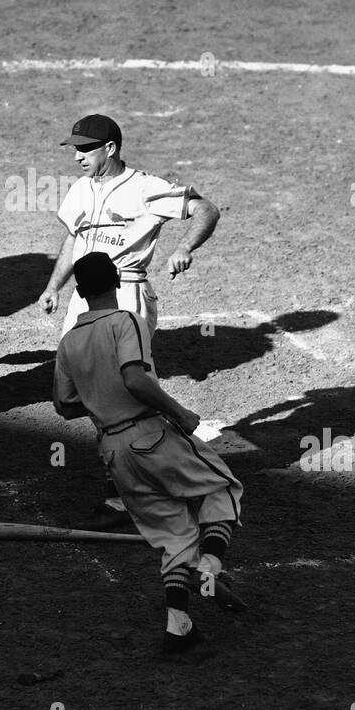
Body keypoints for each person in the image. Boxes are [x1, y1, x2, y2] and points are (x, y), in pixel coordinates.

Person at [53, 252, 246, 660]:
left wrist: (100, 398)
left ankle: (180, 630)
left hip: (113, 452)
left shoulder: (69, 341)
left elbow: (65, 406)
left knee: (175, 535)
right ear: (117, 282)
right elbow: (134, 377)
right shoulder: (126, 321)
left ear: (79, 291)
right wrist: (180, 412)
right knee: (223, 486)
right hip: (151, 435)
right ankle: (209, 566)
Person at [37, 113, 220, 527]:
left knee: (125, 390)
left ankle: (126, 493)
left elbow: (206, 208)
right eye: (76, 149)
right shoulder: (81, 189)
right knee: (74, 395)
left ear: (111, 148)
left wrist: (185, 248)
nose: (79, 156)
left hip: (126, 293)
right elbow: (72, 240)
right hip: (84, 298)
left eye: (86, 149)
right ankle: (145, 463)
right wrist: (53, 288)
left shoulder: (145, 188)